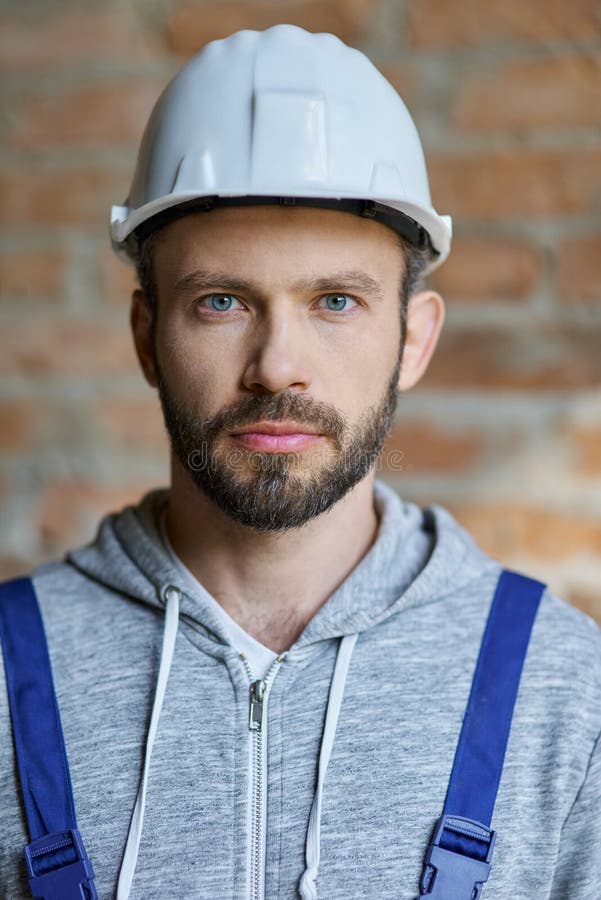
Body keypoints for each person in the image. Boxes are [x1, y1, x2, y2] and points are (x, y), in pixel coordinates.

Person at [0, 23, 599, 900]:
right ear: (145, 336)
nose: (278, 363)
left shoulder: (565, 690)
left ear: (413, 340)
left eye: (335, 301)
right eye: (219, 301)